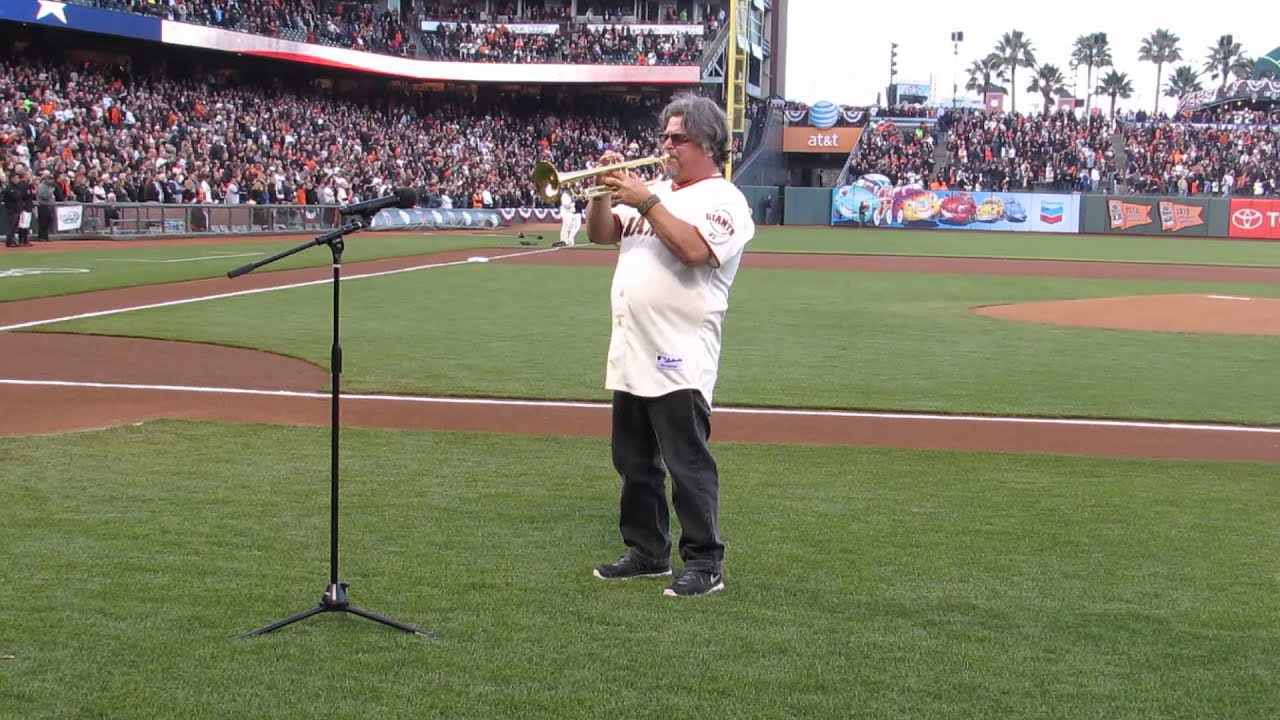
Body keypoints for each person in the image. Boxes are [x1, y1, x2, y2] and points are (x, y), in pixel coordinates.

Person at [585, 94, 755, 598]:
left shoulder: (724, 199)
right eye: (664, 136)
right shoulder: (653, 189)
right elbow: (599, 234)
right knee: (633, 461)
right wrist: (601, 191)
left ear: (708, 144)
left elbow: (696, 251)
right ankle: (647, 551)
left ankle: (705, 563)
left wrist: (645, 202)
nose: (666, 146)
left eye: (677, 138)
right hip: (632, 346)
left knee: (686, 463)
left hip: (680, 351)